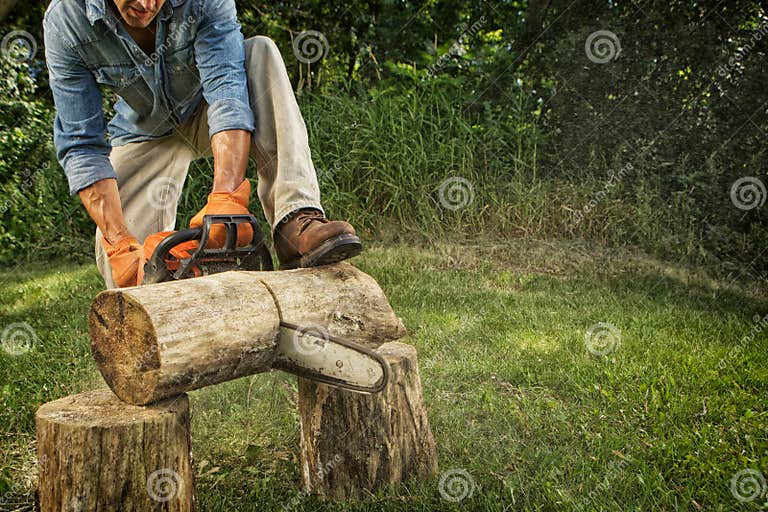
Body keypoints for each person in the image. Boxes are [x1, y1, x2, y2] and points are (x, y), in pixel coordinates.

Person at [43, 0, 362, 288]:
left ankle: (295, 222)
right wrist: (118, 241)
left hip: (208, 107)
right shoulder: (66, 20)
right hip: (144, 131)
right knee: (128, 275)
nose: (144, 4)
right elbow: (82, 144)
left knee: (259, 53)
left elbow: (227, 92)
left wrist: (227, 199)